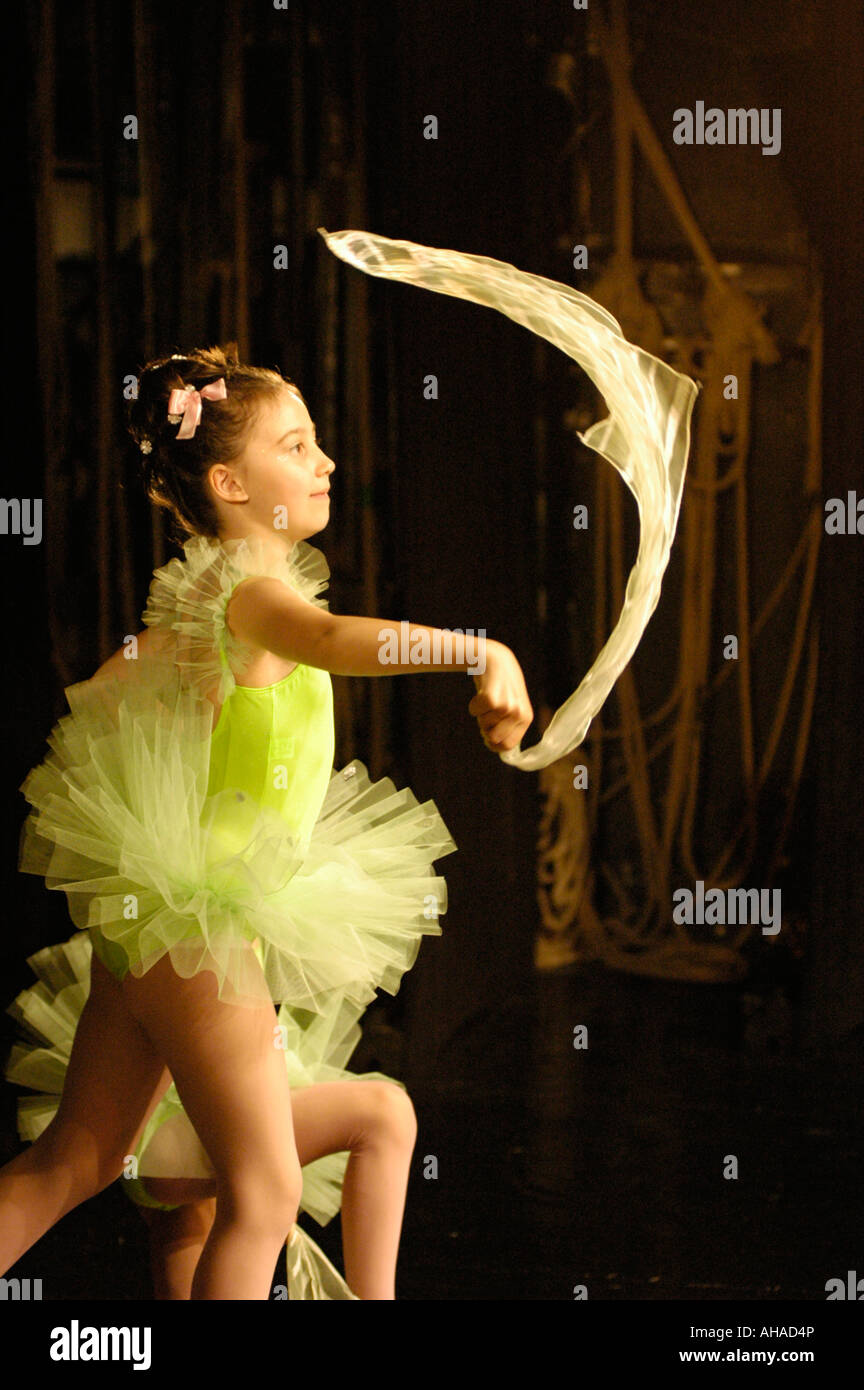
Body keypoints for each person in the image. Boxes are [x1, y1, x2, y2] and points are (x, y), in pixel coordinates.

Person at [0, 344, 533, 1300]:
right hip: (195, 923)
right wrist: (473, 651)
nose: (325, 462)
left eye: (319, 442)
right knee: (265, 1188)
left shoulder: (209, 599)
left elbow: (114, 685)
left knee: (74, 1164)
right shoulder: (251, 594)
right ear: (228, 481)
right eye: (298, 445)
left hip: (157, 927)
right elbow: (333, 641)